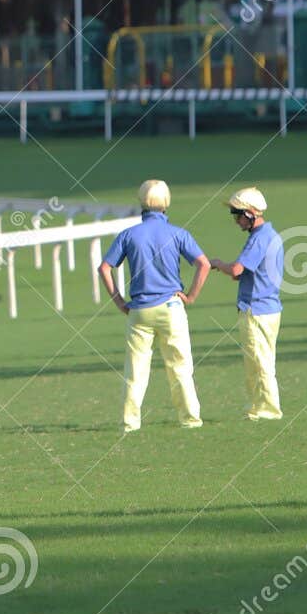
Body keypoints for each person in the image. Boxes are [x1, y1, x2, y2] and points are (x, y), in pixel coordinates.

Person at [98, 180, 210, 433]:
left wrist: (118, 301)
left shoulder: (128, 235)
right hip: (171, 307)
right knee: (180, 368)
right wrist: (190, 296)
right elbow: (203, 264)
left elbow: (105, 268)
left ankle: (130, 423)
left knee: (135, 372)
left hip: (139, 310)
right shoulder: (179, 233)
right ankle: (190, 419)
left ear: (141, 202)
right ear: (166, 203)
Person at [210, 188, 285, 422]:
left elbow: (236, 271)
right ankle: (256, 408)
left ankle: (269, 410)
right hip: (268, 308)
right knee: (258, 363)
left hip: (257, 309)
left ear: (251, 214)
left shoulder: (259, 238)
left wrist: (217, 263)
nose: (236, 221)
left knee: (260, 363)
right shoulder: (269, 234)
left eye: (238, 215)